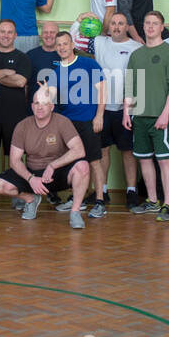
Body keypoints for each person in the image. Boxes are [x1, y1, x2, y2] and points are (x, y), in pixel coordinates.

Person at [0, 84, 92, 230]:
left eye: (44, 103)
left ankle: (75, 212)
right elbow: (14, 160)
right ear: (32, 106)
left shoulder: (63, 122)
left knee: (83, 166)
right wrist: (31, 179)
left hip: (57, 174)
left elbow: (79, 150)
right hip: (33, 175)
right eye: (37, 103)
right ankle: (31, 200)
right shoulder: (22, 126)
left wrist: (52, 166)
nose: (40, 107)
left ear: (51, 106)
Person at [123, 11, 169, 222]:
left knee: (165, 160)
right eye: (147, 23)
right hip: (139, 116)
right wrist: (126, 112)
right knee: (145, 160)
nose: (149, 27)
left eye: (154, 23)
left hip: (161, 117)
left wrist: (166, 114)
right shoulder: (136, 55)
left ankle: (167, 204)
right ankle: (152, 200)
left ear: (161, 27)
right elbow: (130, 85)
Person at [51, 30, 106, 214]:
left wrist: (99, 116)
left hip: (88, 122)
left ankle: (99, 202)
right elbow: (50, 96)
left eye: (65, 44)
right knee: (74, 164)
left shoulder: (88, 64)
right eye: (58, 45)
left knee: (94, 161)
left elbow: (102, 91)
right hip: (68, 125)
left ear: (72, 45)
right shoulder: (56, 70)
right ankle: (77, 199)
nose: (62, 47)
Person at [92, 12, 141, 216]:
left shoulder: (136, 47)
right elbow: (74, 37)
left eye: (121, 23)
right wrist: (81, 18)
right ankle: (102, 191)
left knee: (127, 151)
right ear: (108, 26)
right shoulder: (100, 42)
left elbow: (138, 78)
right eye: (113, 23)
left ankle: (131, 191)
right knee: (102, 151)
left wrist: (130, 108)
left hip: (125, 110)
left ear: (126, 26)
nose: (117, 26)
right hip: (102, 109)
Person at [0, 19, 34, 186]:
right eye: (2, 31)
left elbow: (20, 82)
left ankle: (17, 191)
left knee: (15, 157)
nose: (5, 35)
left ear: (15, 35)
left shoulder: (23, 58)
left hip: (15, 116)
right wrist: (7, 73)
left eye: (9, 32)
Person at [26, 20, 62, 102]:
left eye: (52, 32)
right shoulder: (30, 55)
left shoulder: (65, 55)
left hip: (59, 108)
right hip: (35, 107)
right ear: (41, 35)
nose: (48, 35)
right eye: (45, 32)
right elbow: (24, 85)